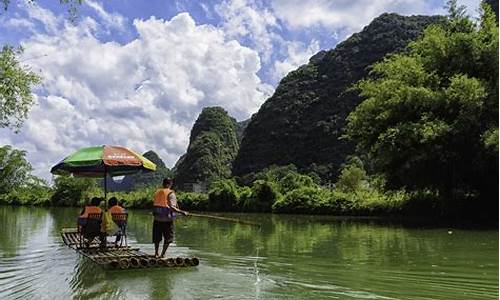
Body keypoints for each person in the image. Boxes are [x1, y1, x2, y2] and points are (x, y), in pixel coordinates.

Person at [152, 178, 188, 258]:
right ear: (170, 184)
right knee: (168, 237)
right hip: (167, 220)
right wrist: (182, 212)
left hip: (157, 218)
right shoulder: (171, 193)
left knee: (157, 237)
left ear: (163, 183)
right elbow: (172, 207)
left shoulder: (157, 192)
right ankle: (163, 254)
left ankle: (156, 253)